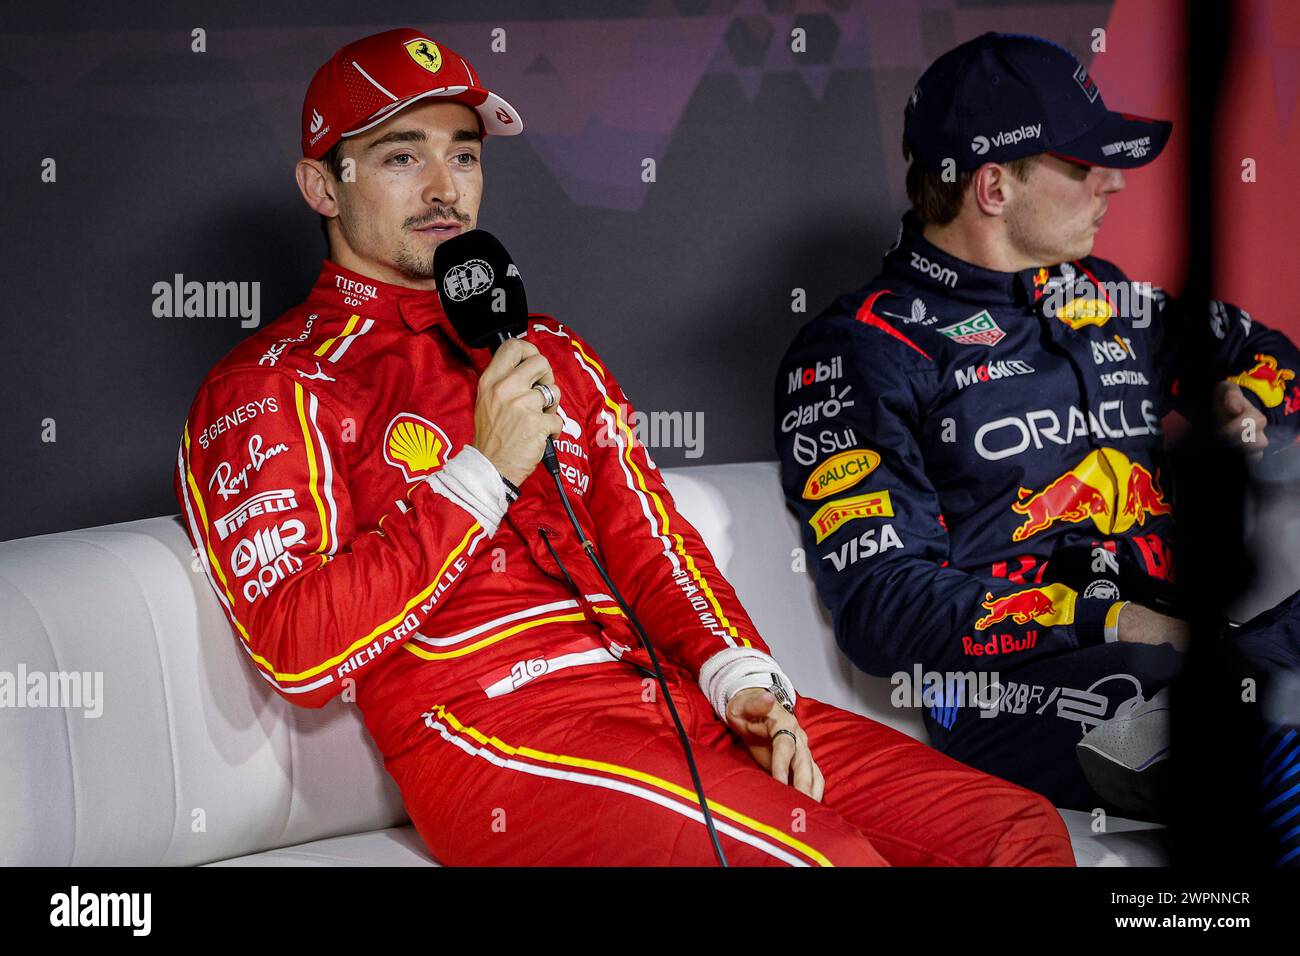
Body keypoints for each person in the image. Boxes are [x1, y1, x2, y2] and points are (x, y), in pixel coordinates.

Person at [174, 27, 1073, 866]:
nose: (445, 187)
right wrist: (480, 475)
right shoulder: (270, 386)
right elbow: (295, 649)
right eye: (403, 156)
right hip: (493, 727)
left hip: (668, 698)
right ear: (322, 187)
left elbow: (652, 542)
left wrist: (741, 681)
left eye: (465, 155)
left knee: (1014, 832)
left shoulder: (545, 346)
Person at [774, 32, 1300, 812]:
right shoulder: (860, 348)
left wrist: (1250, 397)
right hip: (1016, 691)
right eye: (1084, 167)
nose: (1110, 187)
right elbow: (883, 604)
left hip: (1199, 644)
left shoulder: (1106, 297)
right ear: (994, 187)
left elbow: (1268, 354)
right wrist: (1113, 619)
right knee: (1255, 720)